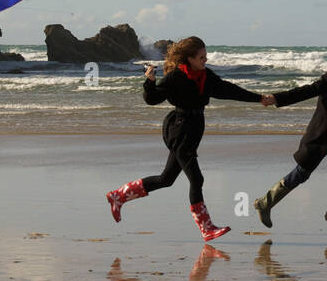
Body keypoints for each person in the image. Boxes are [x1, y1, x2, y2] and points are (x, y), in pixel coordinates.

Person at [106, 36, 272, 240]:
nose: (205, 60)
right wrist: (149, 82)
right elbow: (152, 99)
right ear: (190, 58)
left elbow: (228, 90)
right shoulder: (176, 77)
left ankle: (118, 196)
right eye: (201, 57)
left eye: (205, 56)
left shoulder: (205, 76)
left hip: (193, 129)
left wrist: (258, 98)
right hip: (180, 129)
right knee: (196, 178)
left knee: (166, 179)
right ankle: (206, 228)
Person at [254, 47, 327, 229]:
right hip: (321, 136)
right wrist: (276, 98)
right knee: (301, 174)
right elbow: (307, 91)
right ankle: (264, 203)